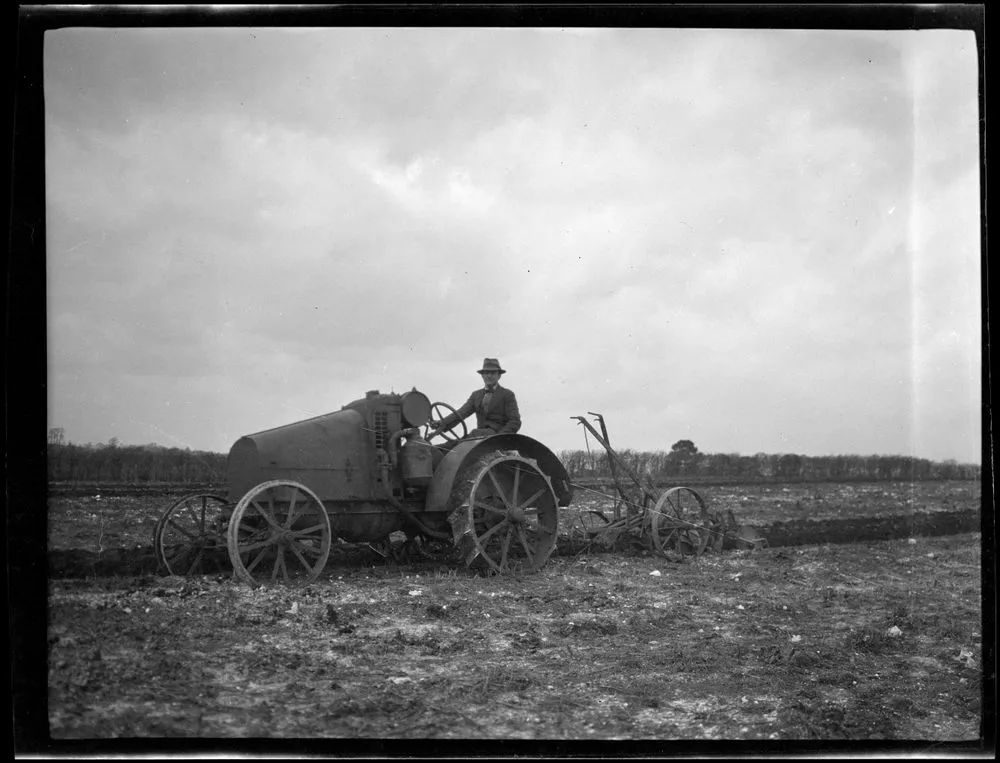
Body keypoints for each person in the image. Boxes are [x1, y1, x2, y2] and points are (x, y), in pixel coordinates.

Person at [429, 358, 521, 440]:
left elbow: (515, 421)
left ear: (499, 375)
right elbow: (461, 413)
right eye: (486, 373)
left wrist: (499, 437)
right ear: (482, 375)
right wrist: (441, 423)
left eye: (492, 373)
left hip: (495, 436)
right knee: (447, 447)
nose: (489, 376)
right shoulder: (476, 395)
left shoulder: (507, 394)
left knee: (466, 441)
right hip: (478, 436)